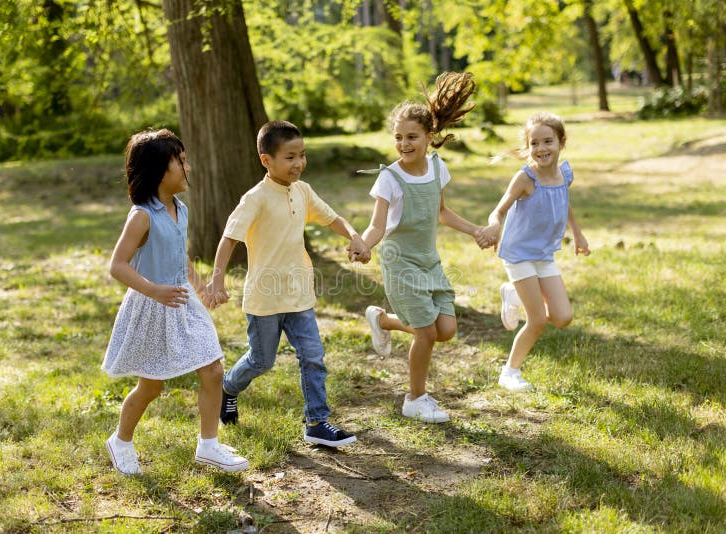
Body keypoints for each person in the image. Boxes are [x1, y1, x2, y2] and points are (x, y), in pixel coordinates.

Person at [206, 120, 368, 447]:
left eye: (302, 155)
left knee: (312, 355)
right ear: (266, 160)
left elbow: (332, 217)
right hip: (264, 299)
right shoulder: (256, 198)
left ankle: (317, 422)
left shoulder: (303, 191)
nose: (299, 163)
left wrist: (354, 235)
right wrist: (216, 279)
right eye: (290, 157)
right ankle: (229, 387)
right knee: (261, 360)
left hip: (299, 295)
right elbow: (229, 238)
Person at [102, 129, 249, 475]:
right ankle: (121, 440)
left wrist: (203, 289)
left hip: (182, 302)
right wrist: (154, 290)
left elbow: (179, 258)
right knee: (151, 386)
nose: (188, 167)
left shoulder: (179, 209)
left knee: (213, 370)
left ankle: (209, 445)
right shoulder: (142, 216)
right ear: (157, 170)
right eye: (180, 161)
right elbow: (117, 265)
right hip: (151, 308)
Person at [360, 72, 488, 423]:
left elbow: (443, 212)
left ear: (429, 137)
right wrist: (364, 244)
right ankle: (415, 398)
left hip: (428, 261)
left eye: (412, 136)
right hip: (399, 262)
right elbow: (378, 224)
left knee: (445, 330)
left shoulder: (437, 167)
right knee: (427, 332)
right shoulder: (389, 177)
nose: (404, 143)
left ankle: (383, 321)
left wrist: (475, 230)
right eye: (398, 137)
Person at [477, 112, 590, 391]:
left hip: (544, 254)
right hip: (518, 254)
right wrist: (493, 227)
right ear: (527, 148)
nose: (541, 149)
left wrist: (577, 232)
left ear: (561, 142)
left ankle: (514, 294)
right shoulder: (525, 178)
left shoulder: (565, 173)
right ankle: (510, 372)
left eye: (548, 141)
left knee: (563, 317)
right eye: (534, 143)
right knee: (537, 320)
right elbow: (499, 210)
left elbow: (564, 201)